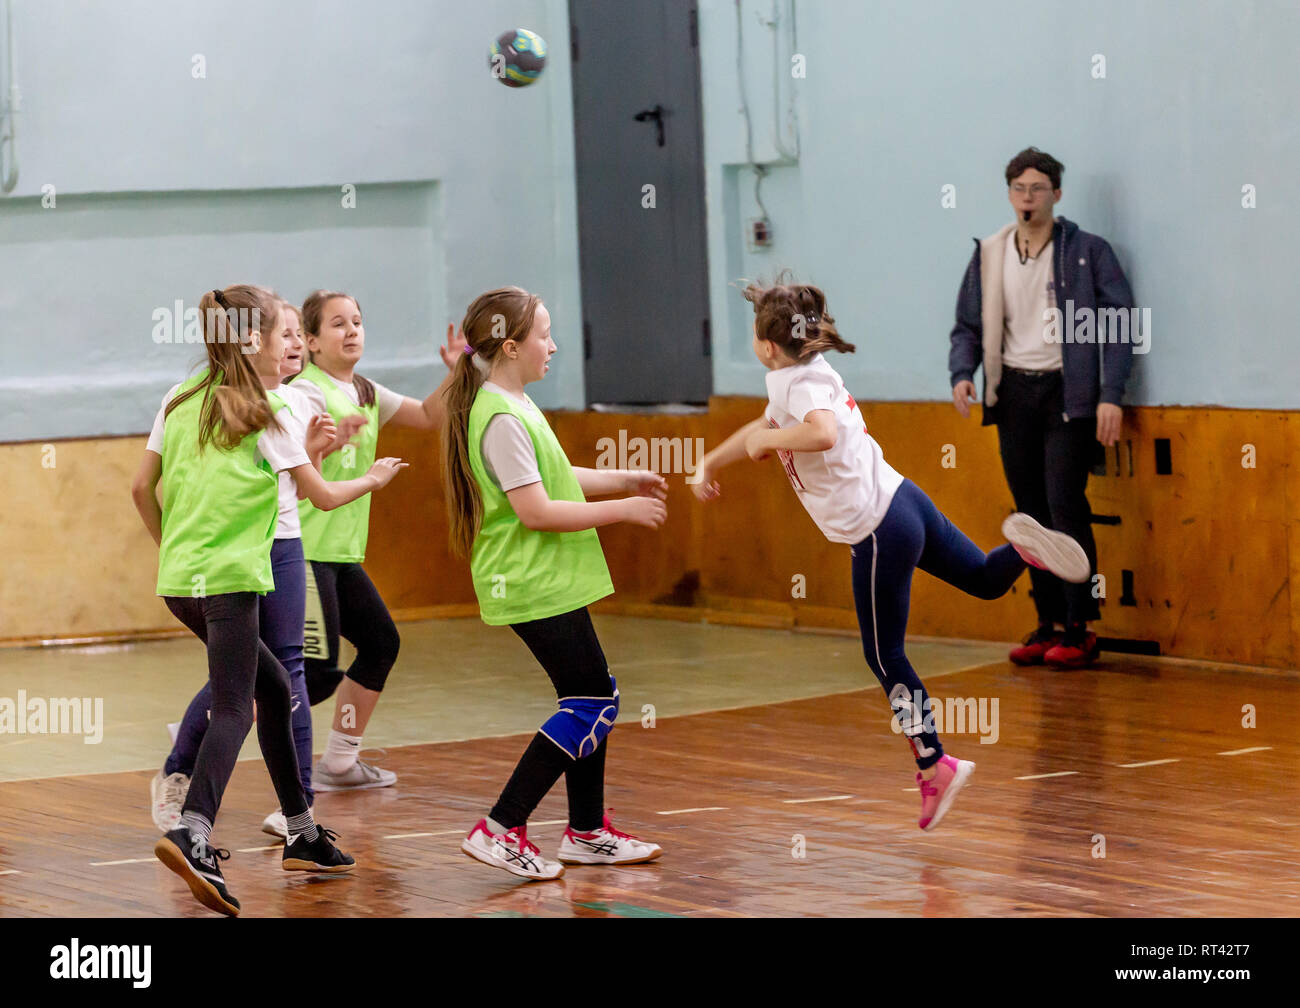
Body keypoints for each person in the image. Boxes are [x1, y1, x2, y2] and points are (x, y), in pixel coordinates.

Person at [695, 278, 1092, 831]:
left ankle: (934, 762)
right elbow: (765, 426)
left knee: (884, 657)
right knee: (983, 577)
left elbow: (823, 434)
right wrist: (714, 461)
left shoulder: (798, 387)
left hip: (878, 531)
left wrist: (769, 443)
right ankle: (1023, 550)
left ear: (766, 345)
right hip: (905, 499)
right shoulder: (800, 377)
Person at [130, 285, 390, 915]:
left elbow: (141, 488)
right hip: (232, 580)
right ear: (254, 341)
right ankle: (192, 833)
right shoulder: (268, 410)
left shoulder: (180, 397)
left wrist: (175, 549)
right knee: (235, 708)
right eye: (287, 335)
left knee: (273, 690)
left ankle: (302, 834)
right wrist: (374, 477)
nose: (294, 345)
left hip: (180, 583)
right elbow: (321, 498)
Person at [442, 286, 665, 880]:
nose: (554, 345)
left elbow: (556, 477)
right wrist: (624, 513)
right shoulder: (501, 416)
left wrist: (623, 481)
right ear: (511, 346)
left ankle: (586, 832)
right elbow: (537, 510)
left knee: (593, 697)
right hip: (529, 580)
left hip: (546, 579)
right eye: (544, 335)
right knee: (593, 701)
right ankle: (499, 827)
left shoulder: (511, 401)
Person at [949, 147, 1136, 669]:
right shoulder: (989, 253)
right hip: (1013, 395)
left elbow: (1121, 324)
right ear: (1009, 193)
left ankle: (1081, 627)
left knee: (1063, 505)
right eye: (1018, 189)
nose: (1027, 198)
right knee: (1028, 515)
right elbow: (966, 324)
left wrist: (1110, 394)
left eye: (1037, 189)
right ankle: (1047, 622)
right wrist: (962, 374)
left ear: (1057, 193)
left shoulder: (1086, 251)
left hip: (1067, 395)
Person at [292, 290, 464, 791]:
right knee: (312, 672)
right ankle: (213, 722)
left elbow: (431, 416)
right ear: (310, 341)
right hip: (303, 551)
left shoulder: (365, 390)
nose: (351, 332)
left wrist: (455, 371)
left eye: (358, 322)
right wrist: (333, 442)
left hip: (341, 554)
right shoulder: (305, 391)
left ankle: (340, 762)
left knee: (380, 643)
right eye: (337, 324)